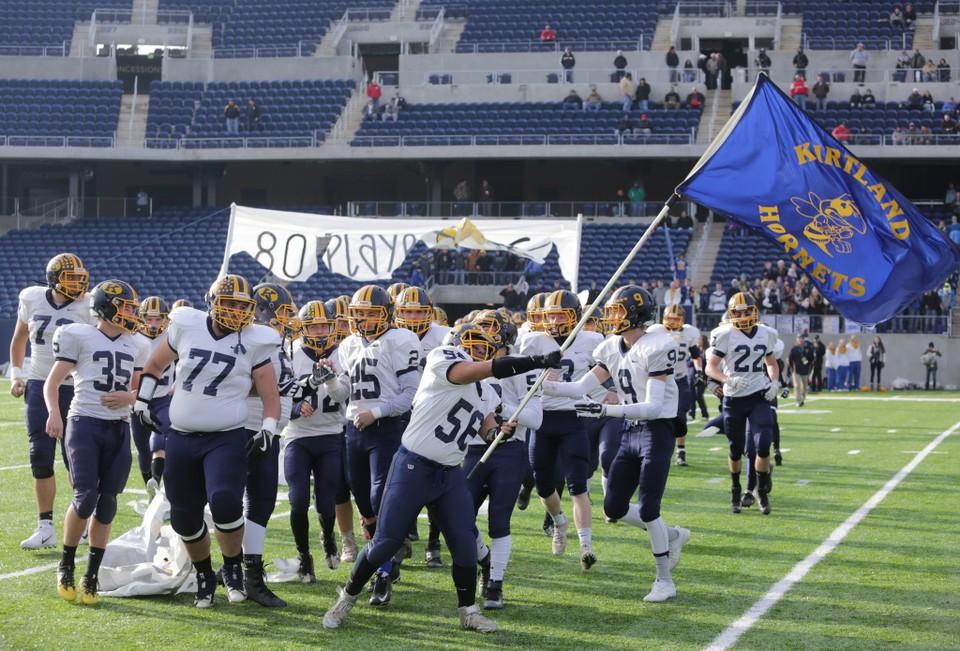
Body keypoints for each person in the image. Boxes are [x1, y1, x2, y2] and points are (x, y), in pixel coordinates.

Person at [321, 324, 560, 632]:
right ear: (457, 343)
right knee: (385, 544)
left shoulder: (486, 390)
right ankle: (347, 598)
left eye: (482, 346)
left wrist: (497, 432)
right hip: (413, 467)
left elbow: (485, 428)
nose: (476, 350)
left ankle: (468, 612)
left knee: (464, 546)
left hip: (448, 473)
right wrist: (537, 361)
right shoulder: (442, 358)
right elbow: (479, 371)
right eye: (471, 343)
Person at [133, 275, 282, 608]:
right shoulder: (187, 324)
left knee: (226, 502)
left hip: (225, 436)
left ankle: (231, 568)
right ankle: (203, 574)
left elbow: (271, 395)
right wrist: (142, 401)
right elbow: (155, 365)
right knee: (185, 517)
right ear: (212, 302)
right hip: (182, 436)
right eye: (229, 303)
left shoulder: (256, 340)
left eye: (243, 306)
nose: (236, 312)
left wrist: (268, 430)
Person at [545, 286, 690, 602]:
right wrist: (548, 389)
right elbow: (584, 385)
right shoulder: (611, 347)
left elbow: (653, 407)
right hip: (631, 428)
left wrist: (606, 409)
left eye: (617, 311)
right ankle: (674, 536)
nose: (610, 317)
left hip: (657, 430)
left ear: (635, 313)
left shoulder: (658, 345)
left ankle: (664, 580)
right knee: (613, 508)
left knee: (650, 508)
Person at [48, 280, 149, 605]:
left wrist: (129, 397)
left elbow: (139, 391)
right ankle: (65, 564)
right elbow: (52, 382)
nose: (133, 313)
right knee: (85, 496)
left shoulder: (136, 344)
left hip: (117, 429)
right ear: (108, 306)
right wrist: (55, 414)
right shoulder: (79, 334)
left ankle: (91, 574)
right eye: (128, 307)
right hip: (84, 423)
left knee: (107, 502)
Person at [334, 285, 422, 606]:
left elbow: (409, 394)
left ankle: (383, 573)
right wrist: (328, 378)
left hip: (385, 428)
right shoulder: (347, 345)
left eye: (371, 313)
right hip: (354, 429)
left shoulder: (400, 340)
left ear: (386, 314)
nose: (364, 319)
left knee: (379, 496)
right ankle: (387, 553)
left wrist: (378, 412)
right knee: (365, 506)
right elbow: (341, 392)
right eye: (359, 314)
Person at [11, 253, 94, 551]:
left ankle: (83, 519)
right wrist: (16, 375)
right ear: (53, 279)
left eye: (80, 277)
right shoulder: (32, 298)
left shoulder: (88, 305)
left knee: (76, 457)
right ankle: (45, 526)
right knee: (40, 455)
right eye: (71, 278)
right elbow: (19, 339)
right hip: (37, 382)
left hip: (75, 387)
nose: (78, 283)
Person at [467, 311, 542, 608]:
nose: (482, 336)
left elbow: (535, 418)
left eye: (489, 329)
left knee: (499, 521)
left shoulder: (522, 366)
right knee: (458, 518)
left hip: (509, 450)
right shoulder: (466, 362)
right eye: (479, 329)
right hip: (471, 448)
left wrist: (503, 406)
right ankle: (485, 561)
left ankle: (495, 582)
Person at [525, 291, 600, 567]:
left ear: (576, 317)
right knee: (543, 484)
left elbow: (606, 370)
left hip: (573, 417)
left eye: (561, 315)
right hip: (541, 418)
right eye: (551, 315)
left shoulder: (592, 340)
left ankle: (586, 545)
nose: (555, 320)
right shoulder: (531, 340)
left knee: (578, 484)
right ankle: (559, 522)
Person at [284, 300, 348, 583]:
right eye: (314, 326)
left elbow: (342, 395)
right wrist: (296, 409)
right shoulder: (291, 353)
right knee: (297, 501)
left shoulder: (343, 352)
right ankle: (303, 556)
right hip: (298, 436)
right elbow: (278, 394)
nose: (321, 331)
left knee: (325, 503)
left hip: (331, 435)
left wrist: (331, 379)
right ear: (303, 328)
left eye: (324, 325)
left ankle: (328, 537)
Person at [706, 293, 780, 514]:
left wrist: (774, 383)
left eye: (747, 311)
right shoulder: (725, 334)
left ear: (754, 310)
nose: (743, 315)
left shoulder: (766, 333)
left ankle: (761, 490)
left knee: (763, 443)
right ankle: (736, 488)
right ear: (731, 314)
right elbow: (710, 367)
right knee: (735, 449)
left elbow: (772, 363)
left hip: (758, 396)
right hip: (733, 398)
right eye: (738, 312)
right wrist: (728, 379)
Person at [394, 286, 452, 566]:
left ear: (429, 313)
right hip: (403, 414)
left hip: (436, 414)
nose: (413, 316)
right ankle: (402, 534)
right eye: (407, 311)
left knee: (437, 478)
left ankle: (433, 540)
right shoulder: (391, 336)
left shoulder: (444, 336)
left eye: (419, 311)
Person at [129, 298, 173, 501]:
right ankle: (151, 485)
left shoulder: (173, 337)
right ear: (141, 317)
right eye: (149, 318)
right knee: (142, 449)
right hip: (137, 400)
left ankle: (167, 478)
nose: (154, 323)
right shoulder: (132, 338)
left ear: (166, 319)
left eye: (158, 319)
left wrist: (178, 385)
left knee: (169, 432)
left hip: (163, 398)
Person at [649, 304, 701, 467]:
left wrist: (698, 370)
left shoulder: (688, 333)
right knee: (657, 415)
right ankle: (657, 448)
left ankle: (681, 451)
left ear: (682, 320)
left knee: (680, 416)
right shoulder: (656, 331)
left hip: (680, 378)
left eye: (676, 319)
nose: (672, 322)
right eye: (669, 319)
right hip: (660, 378)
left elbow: (696, 356)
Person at [788, 334, 812, 406]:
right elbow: (790, 359)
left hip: (805, 370)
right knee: (797, 385)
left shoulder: (808, 348)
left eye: (802, 338)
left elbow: (811, 359)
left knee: (804, 386)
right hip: (796, 371)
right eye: (799, 338)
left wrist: (807, 363)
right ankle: (798, 401)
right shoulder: (794, 348)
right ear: (797, 339)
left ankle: (802, 398)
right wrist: (792, 368)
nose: (801, 339)